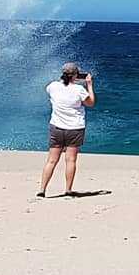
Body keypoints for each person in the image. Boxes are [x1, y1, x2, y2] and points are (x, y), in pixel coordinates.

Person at [38, 62, 95, 198]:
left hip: (57, 127)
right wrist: (89, 85)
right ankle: (68, 190)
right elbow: (91, 103)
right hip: (74, 128)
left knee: (51, 160)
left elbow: (57, 87)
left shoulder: (52, 86)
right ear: (76, 75)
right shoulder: (79, 90)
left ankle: (42, 190)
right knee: (70, 160)